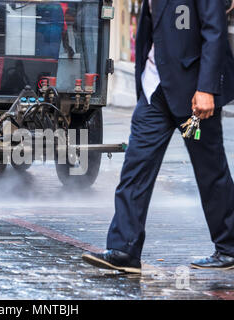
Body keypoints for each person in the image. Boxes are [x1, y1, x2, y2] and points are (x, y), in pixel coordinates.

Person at [82, 0, 234, 273]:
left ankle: (230, 248)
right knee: (135, 167)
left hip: (194, 98)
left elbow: (215, 30)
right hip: (154, 94)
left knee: (211, 173)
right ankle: (123, 249)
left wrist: (207, 88)